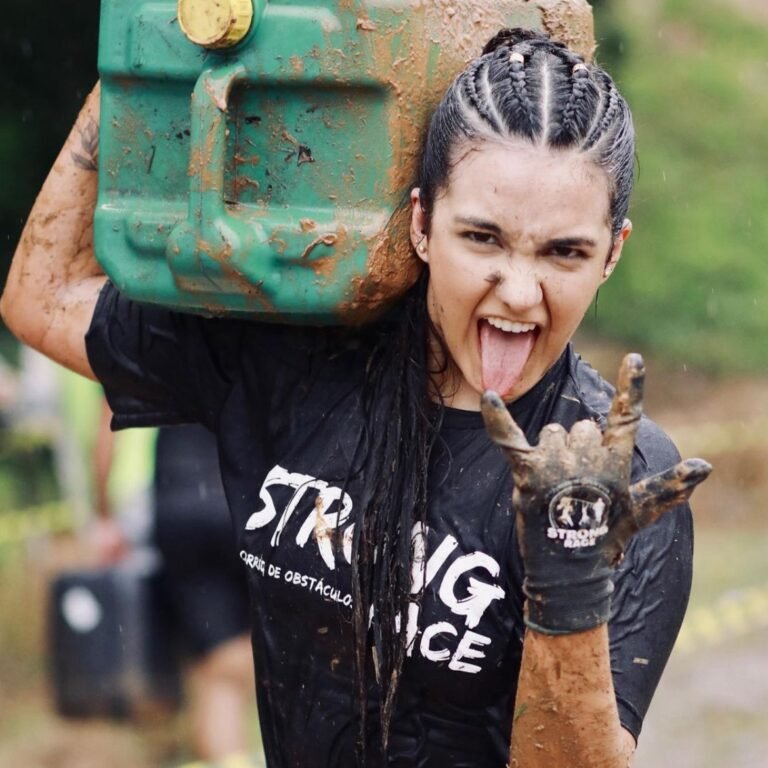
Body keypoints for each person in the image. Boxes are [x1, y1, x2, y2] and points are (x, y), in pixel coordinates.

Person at [2, 27, 711, 768]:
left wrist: (567, 581)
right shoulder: (297, 363)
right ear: (421, 224)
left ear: (613, 251)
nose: (520, 291)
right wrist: (155, 58)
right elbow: (41, 297)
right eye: (482, 238)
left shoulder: (618, 481)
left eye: (565, 251)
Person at [94, 407, 255, 762]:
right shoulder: (267, 353)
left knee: (216, 671)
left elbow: (109, 420)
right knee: (247, 660)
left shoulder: (152, 350)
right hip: (244, 505)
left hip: (176, 506)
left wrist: (103, 515)